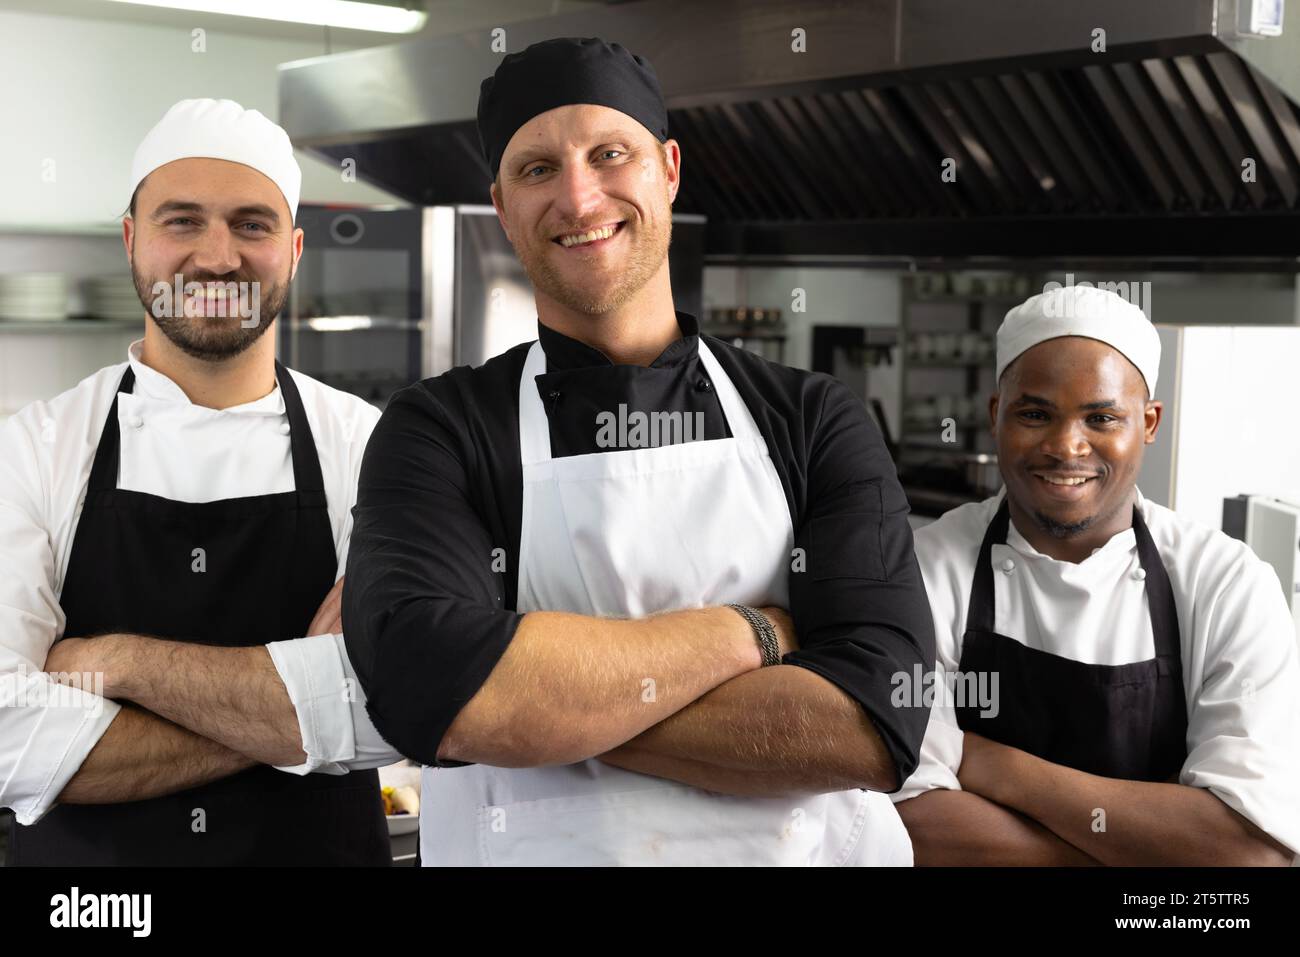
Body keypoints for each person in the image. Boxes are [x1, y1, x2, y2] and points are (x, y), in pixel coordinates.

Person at [337, 36, 936, 866]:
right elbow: (429, 692)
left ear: (669, 169)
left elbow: (877, 724)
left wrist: (541, 708)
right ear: (503, 206)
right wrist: (752, 635)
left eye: (609, 154)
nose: (580, 199)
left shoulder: (812, 417)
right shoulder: (439, 428)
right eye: (537, 169)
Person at [2, 99, 391, 865]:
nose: (217, 258)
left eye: (252, 224)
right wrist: (300, 705)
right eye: (182, 221)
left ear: (296, 248)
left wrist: (121, 662)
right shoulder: (35, 447)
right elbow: (9, 734)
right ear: (131, 240)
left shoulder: (372, 447)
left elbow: (406, 701)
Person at [891, 284, 1299, 866]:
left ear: (1149, 422)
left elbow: (1248, 854)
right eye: (1035, 414)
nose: (1065, 447)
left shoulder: (1226, 586)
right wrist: (1151, 859)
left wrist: (997, 767)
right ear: (995, 415)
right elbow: (913, 824)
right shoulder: (925, 573)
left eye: (1102, 417)